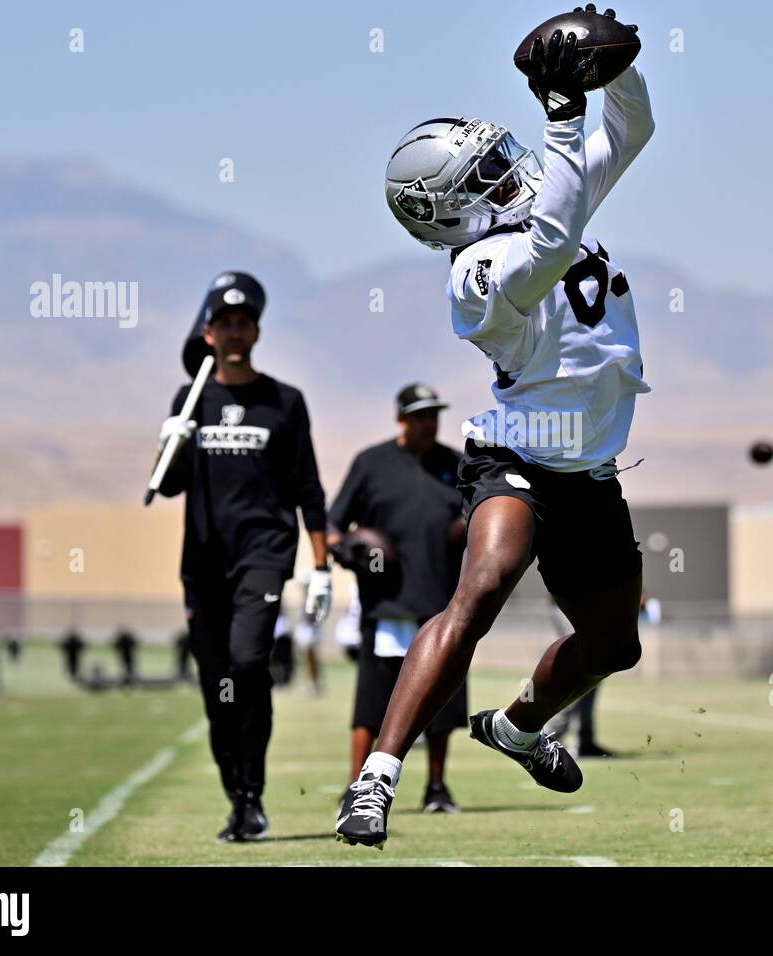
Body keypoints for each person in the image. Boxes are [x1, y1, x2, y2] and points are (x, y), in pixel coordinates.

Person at [338, 6, 653, 846]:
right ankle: (376, 781)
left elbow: (636, 124)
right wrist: (559, 112)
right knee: (480, 590)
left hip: (589, 470)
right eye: (484, 173)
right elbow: (550, 238)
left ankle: (515, 727)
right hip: (514, 452)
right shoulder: (475, 270)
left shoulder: (543, 199)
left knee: (614, 647)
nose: (507, 172)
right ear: (448, 210)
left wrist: (606, 69)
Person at [157, 270, 333, 843]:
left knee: (248, 664)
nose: (235, 333)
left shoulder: (284, 402)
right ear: (208, 333)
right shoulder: (190, 399)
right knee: (216, 688)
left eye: (244, 323)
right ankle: (235, 793)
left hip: (263, 557)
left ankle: (253, 793)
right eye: (225, 324)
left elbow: (309, 488)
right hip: (203, 564)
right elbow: (169, 486)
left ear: (256, 332)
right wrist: (174, 441)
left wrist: (322, 567)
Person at [329, 384, 468, 815]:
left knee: (442, 703)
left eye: (434, 415)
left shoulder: (457, 466)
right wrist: (347, 550)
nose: (429, 423)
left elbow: (482, 517)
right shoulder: (371, 464)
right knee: (372, 704)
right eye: (420, 415)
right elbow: (334, 524)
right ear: (401, 418)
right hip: (386, 604)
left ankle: (437, 788)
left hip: (442, 605)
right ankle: (356, 786)